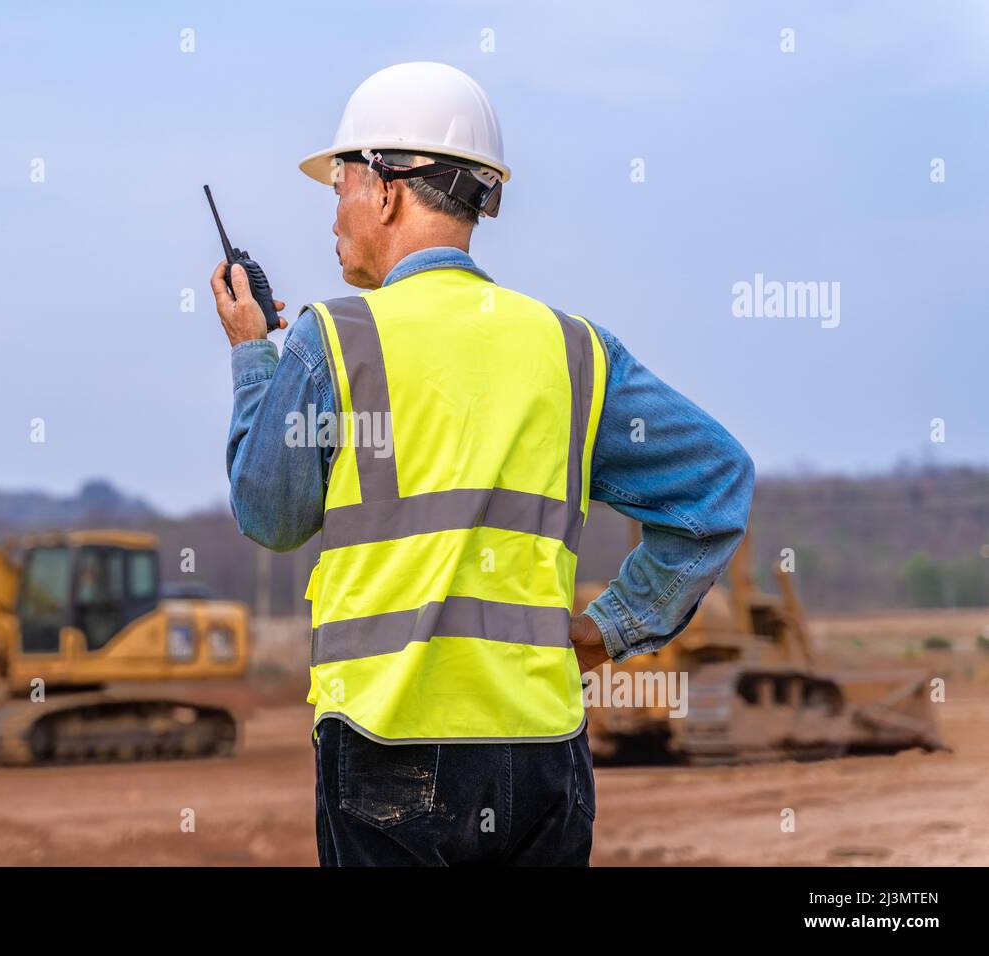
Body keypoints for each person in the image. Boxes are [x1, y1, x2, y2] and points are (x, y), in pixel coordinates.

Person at [211, 62, 754, 866]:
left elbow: (270, 514)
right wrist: (608, 633)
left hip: (389, 740)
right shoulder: (573, 351)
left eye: (339, 186)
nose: (335, 214)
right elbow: (716, 486)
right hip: (541, 751)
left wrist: (253, 357)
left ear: (387, 190)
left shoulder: (333, 339)